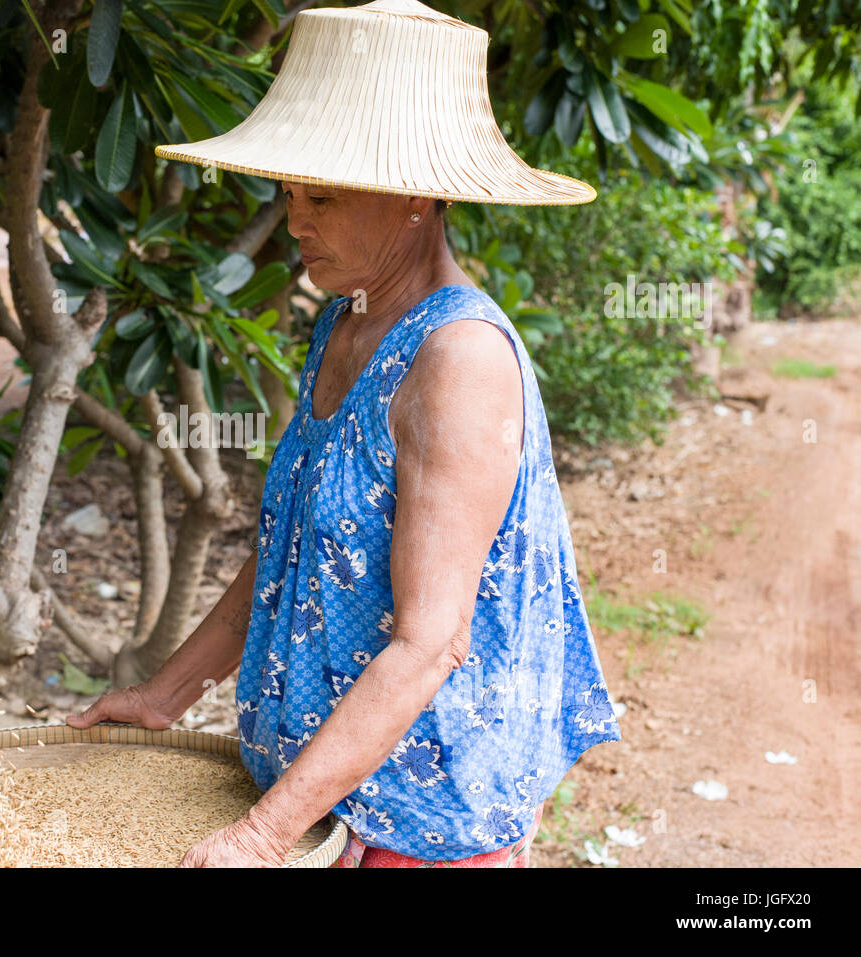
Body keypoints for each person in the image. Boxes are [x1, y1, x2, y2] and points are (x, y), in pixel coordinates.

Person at [69, 0, 621, 868]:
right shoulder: (346, 320)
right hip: (324, 798)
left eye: (321, 196)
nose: (293, 221)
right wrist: (164, 695)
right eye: (288, 192)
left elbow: (430, 641)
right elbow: (293, 550)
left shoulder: (458, 360)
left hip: (419, 820)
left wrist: (260, 836)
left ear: (412, 196)